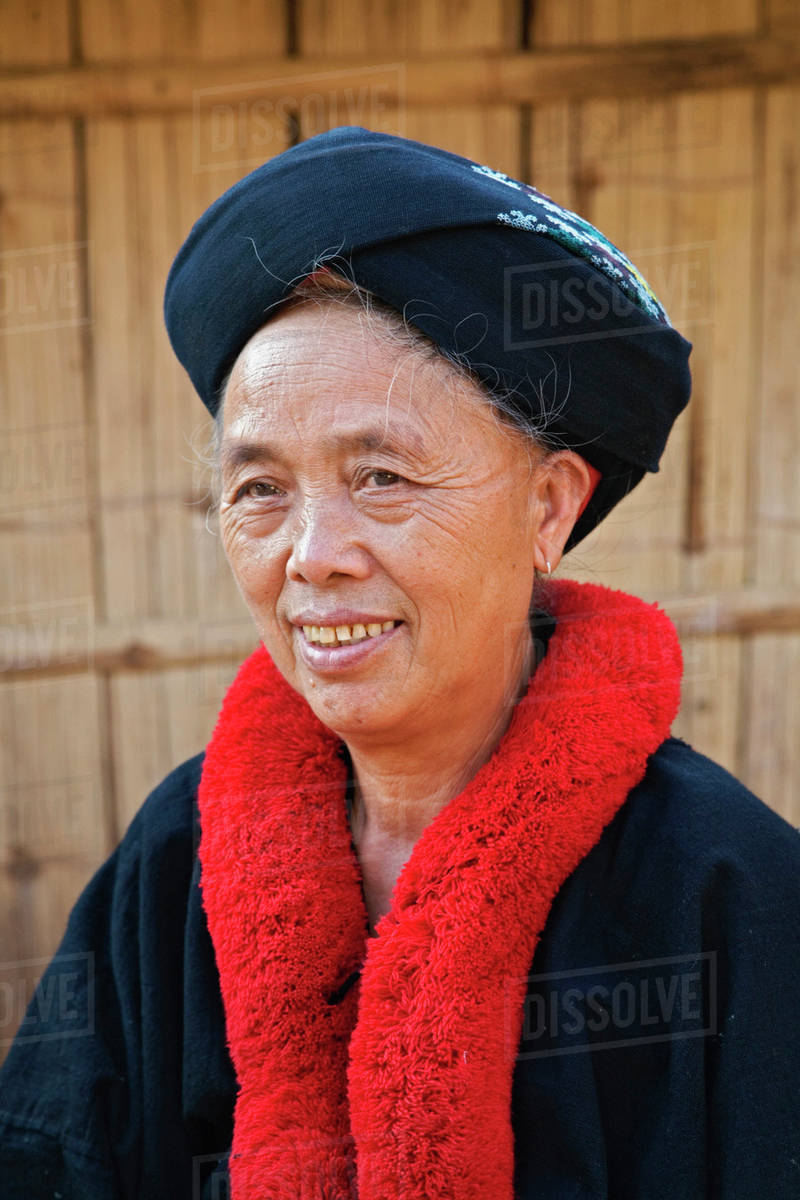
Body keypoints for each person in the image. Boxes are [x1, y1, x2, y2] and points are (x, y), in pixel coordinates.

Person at [1, 126, 798, 1200]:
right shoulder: (175, 856)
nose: (312, 557)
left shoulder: (729, 892)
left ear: (546, 506)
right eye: (259, 491)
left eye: (381, 476)